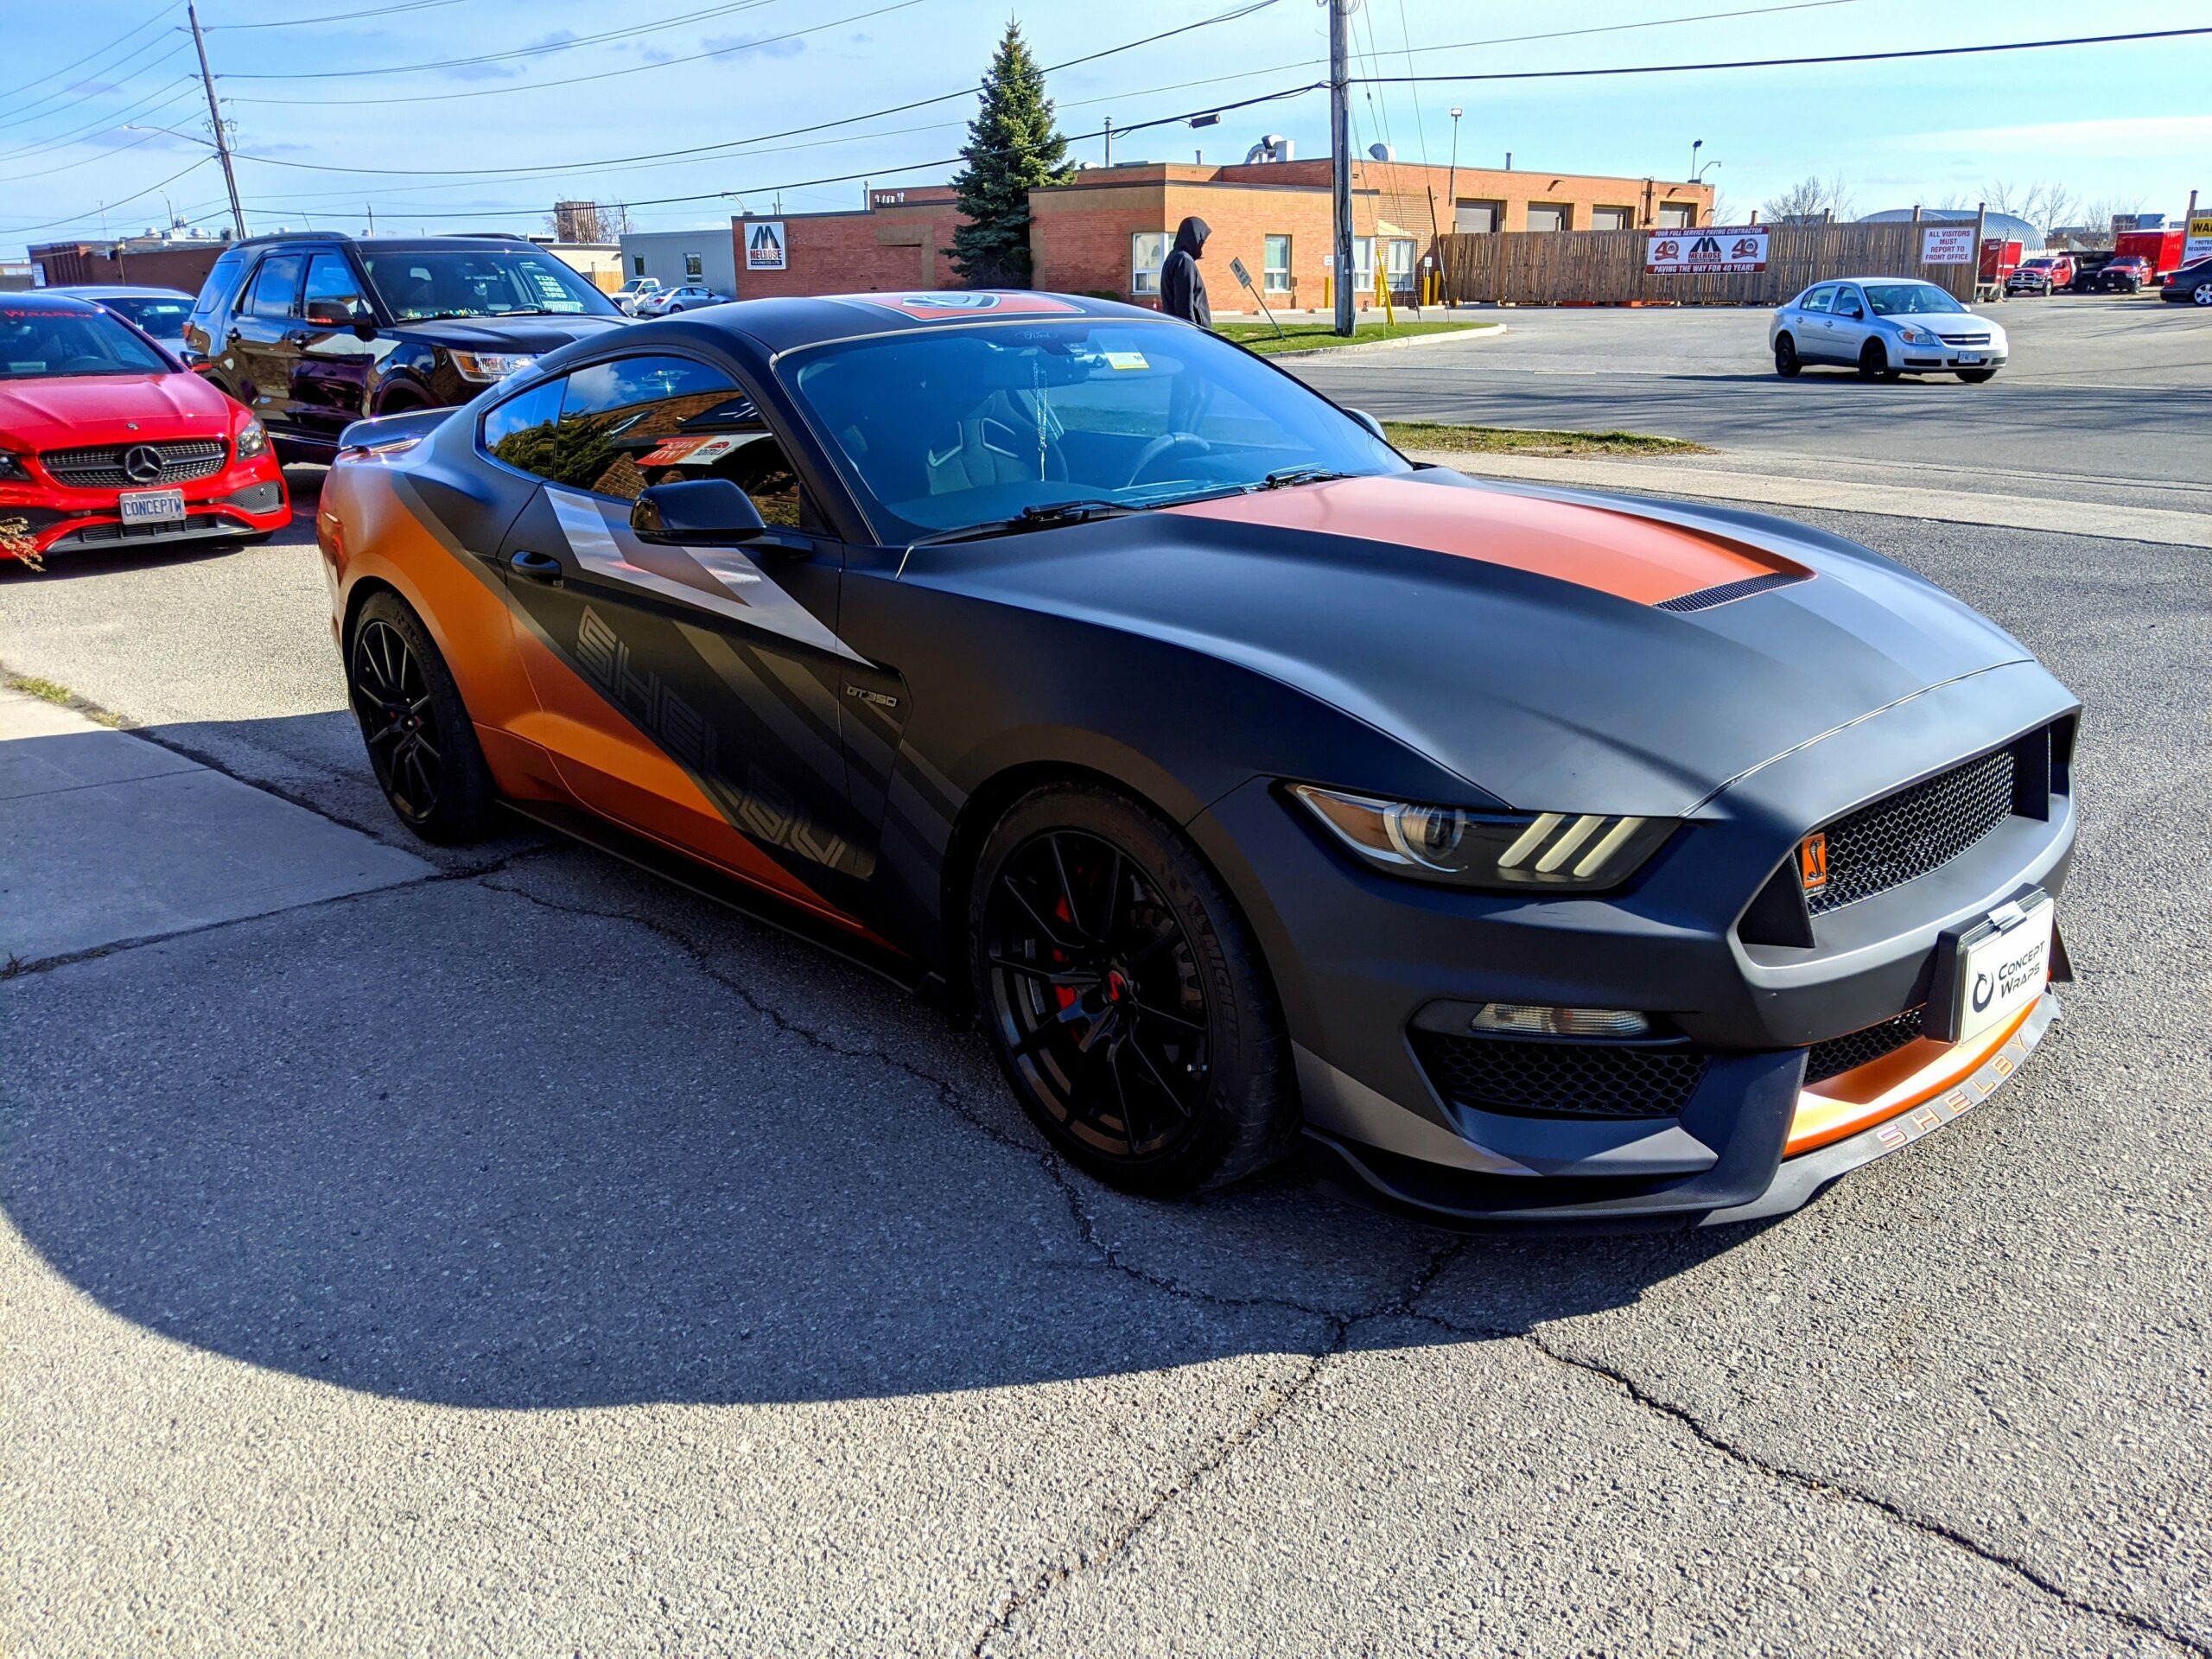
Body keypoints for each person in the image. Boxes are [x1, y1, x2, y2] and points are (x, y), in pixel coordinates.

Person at [1159, 217, 1211, 327]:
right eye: (1201, 241)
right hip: (1190, 332)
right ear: (1194, 239)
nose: (1202, 245)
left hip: (1176, 328)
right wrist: (1192, 333)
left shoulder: (1173, 257)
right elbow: (1184, 306)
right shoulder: (1184, 261)